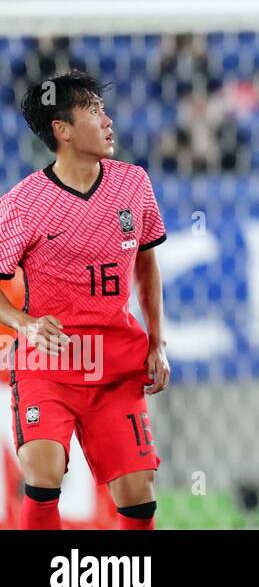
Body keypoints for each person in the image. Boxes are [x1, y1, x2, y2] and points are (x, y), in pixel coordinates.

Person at [0, 71, 169, 529]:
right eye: (93, 111)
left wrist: (157, 341)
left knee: (138, 495)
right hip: (49, 363)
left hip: (114, 362)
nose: (108, 120)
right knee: (43, 474)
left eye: (103, 109)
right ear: (63, 129)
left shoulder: (134, 184)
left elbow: (146, 264)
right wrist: (24, 323)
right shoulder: (22, 204)